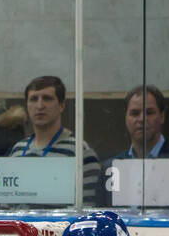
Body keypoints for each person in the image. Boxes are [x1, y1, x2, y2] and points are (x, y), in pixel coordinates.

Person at [8, 75, 102, 203]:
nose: (40, 105)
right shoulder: (18, 149)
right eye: (33, 99)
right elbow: (7, 202)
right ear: (27, 105)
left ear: (62, 105)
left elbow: (88, 206)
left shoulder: (80, 151)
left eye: (47, 98)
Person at [109, 84, 169, 163]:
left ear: (162, 117)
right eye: (134, 113)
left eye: (149, 112)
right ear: (125, 118)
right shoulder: (112, 167)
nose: (142, 119)